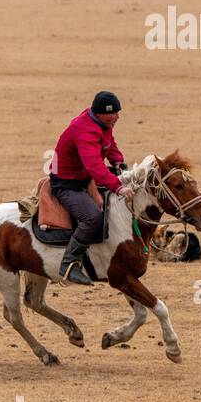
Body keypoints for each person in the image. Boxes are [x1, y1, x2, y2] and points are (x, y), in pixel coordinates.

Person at [50, 90, 134, 285]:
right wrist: (118, 187)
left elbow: (109, 145)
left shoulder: (101, 123)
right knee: (92, 218)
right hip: (68, 183)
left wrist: (118, 162)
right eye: (115, 113)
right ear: (103, 113)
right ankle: (69, 264)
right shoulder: (85, 130)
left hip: (84, 176)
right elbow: (94, 166)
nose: (118, 117)